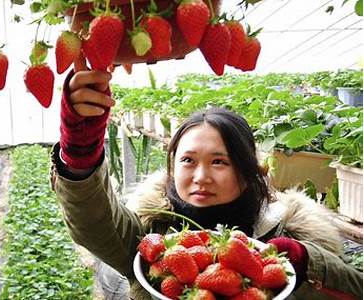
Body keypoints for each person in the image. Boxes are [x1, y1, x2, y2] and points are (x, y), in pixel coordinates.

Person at [50, 61, 363, 299]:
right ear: (173, 166)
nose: (201, 177)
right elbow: (96, 225)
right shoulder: (151, 230)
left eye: (219, 162)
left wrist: (306, 261)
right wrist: (80, 152)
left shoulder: (290, 229)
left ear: (247, 169)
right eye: (188, 160)